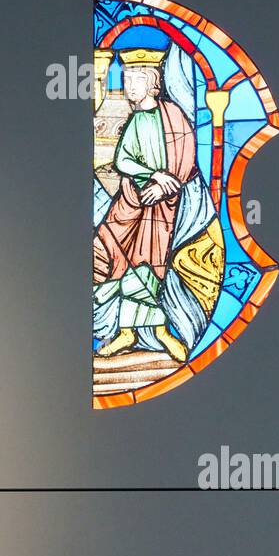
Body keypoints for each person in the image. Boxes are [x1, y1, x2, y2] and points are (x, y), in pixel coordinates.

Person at [93, 50, 197, 364]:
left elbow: (186, 152)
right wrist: (153, 174)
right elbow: (123, 160)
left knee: (150, 266)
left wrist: (168, 182)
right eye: (125, 79)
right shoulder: (135, 120)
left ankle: (160, 330)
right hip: (131, 202)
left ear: (153, 83)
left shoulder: (174, 115)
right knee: (113, 255)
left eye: (136, 79)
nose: (129, 86)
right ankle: (125, 333)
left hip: (162, 206)